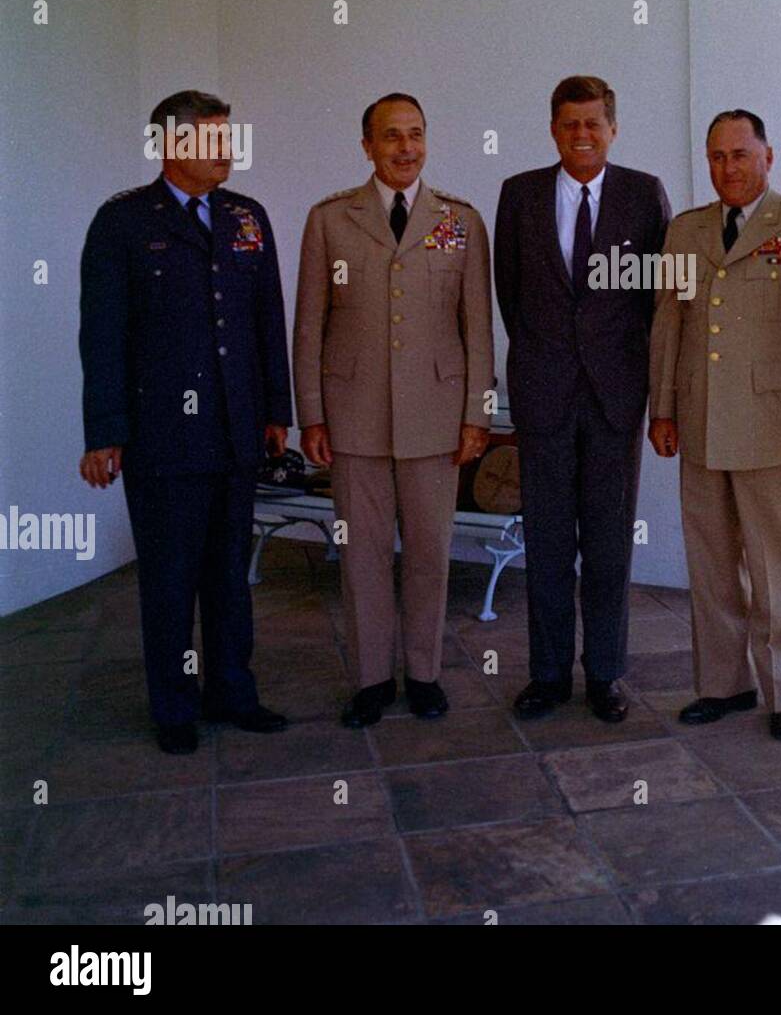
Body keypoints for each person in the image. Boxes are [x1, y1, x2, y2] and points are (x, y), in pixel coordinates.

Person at [79, 91, 292, 754]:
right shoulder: (122, 223)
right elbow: (103, 336)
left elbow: (266, 322)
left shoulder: (245, 217)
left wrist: (276, 413)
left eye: (229, 137)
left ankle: (232, 690)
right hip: (162, 438)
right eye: (212, 139)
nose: (228, 149)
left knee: (229, 575)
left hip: (235, 429)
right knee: (170, 580)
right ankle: (174, 706)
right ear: (172, 147)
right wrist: (104, 432)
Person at [293, 94, 494, 727]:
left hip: (436, 419)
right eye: (390, 137)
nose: (405, 148)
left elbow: (478, 330)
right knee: (362, 556)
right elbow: (309, 324)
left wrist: (477, 415)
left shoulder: (459, 220)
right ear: (367, 147)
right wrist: (312, 414)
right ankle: (373, 679)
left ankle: (426, 673)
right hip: (353, 419)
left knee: (432, 553)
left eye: (415, 135)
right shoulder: (330, 220)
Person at [650, 111, 781, 740]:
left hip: (779, 429)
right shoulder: (685, 231)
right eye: (716, 157)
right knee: (710, 565)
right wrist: (664, 408)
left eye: (739, 154)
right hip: (702, 424)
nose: (728, 168)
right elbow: (669, 325)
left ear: (768, 155)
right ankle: (722, 685)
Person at [494, 76, 671, 723]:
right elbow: (509, 295)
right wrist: (545, 363)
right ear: (553, 129)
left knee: (607, 544)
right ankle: (546, 676)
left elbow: (657, 299)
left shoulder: (642, 195)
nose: (582, 134)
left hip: (613, 399)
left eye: (594, 123)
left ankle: (605, 675)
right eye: (570, 124)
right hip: (544, 396)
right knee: (544, 542)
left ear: (613, 129)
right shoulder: (518, 195)